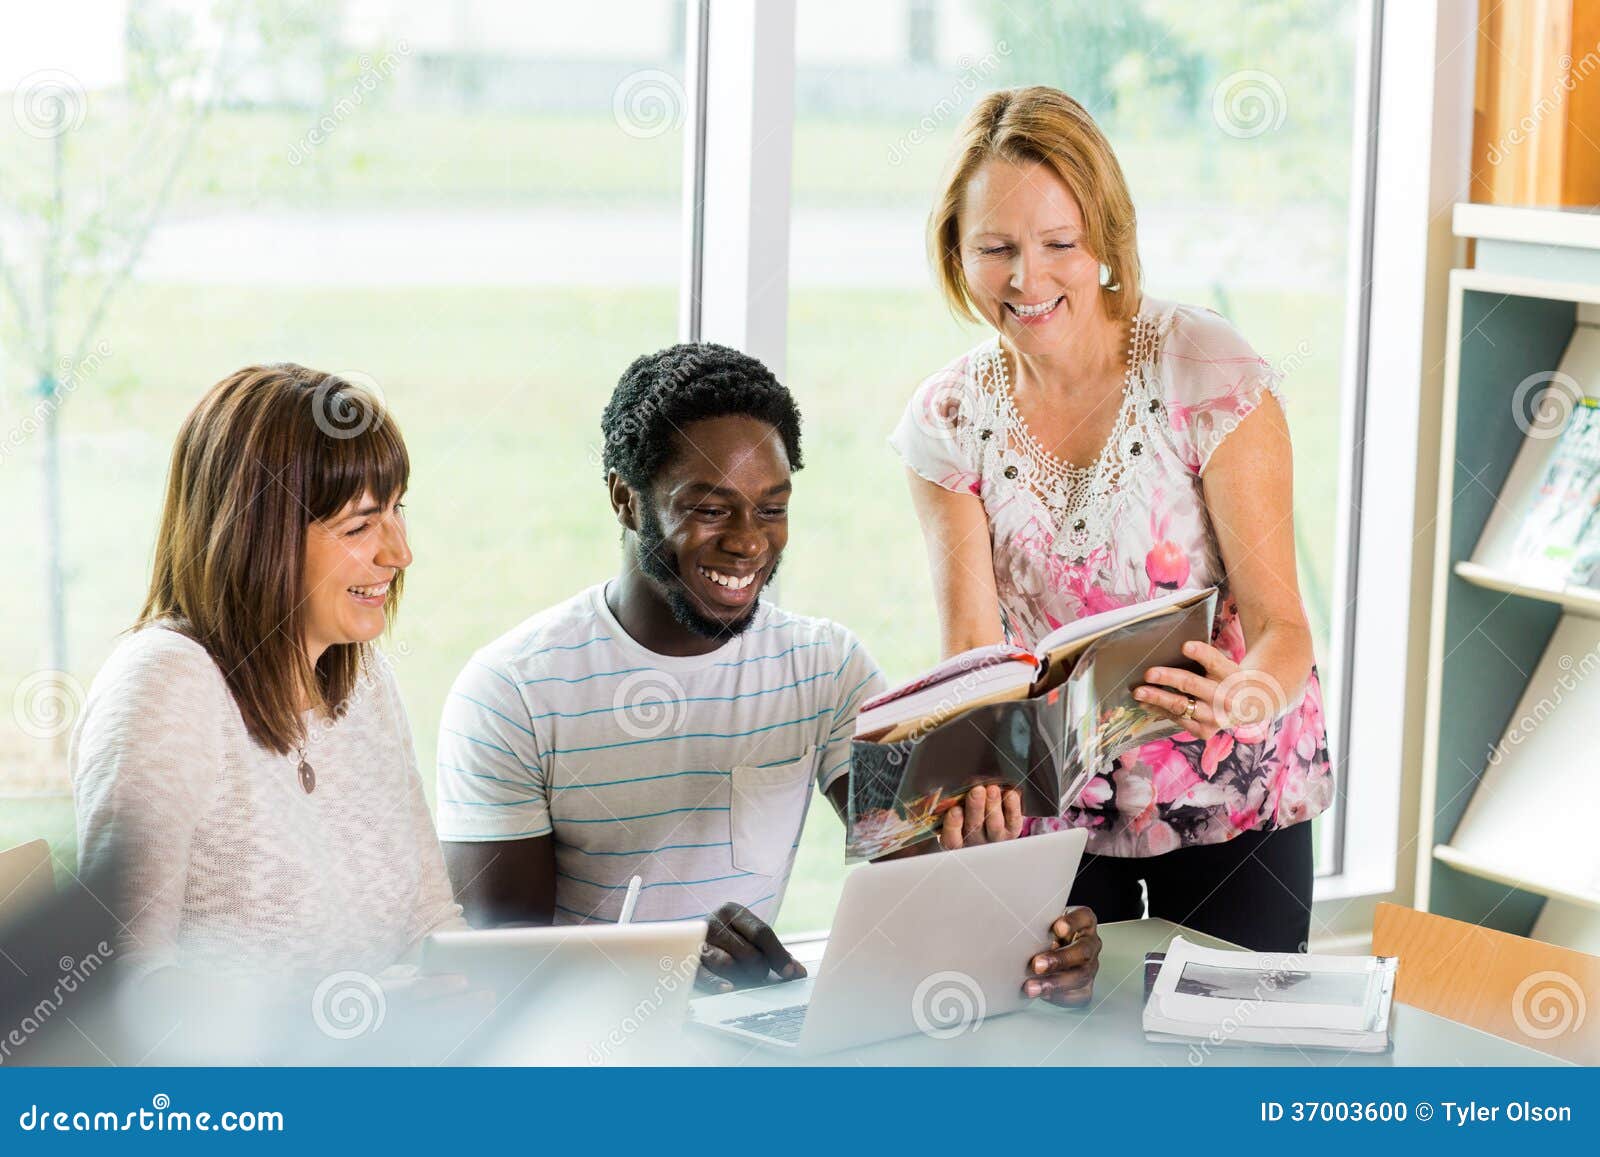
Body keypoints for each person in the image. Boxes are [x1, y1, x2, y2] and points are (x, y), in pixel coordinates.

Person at [437, 343, 1101, 1006]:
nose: (749, 541)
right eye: (710, 509)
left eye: (772, 508)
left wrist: (1034, 939)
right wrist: (661, 973)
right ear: (625, 499)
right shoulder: (511, 692)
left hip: (745, 1030)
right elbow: (499, 974)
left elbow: (918, 880)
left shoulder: (825, 668)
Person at [893, 86, 1332, 954]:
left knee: (1225, 1037)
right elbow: (972, 657)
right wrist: (967, 771)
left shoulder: (1206, 369)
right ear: (956, 251)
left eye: (1060, 243)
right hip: (1057, 817)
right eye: (995, 249)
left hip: (1236, 802)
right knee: (1053, 1030)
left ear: (1104, 238)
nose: (1028, 279)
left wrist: (1240, 696)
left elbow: (1283, 630)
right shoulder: (947, 417)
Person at [70, 364, 467, 1021]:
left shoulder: (365, 678)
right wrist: (336, 1019)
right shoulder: (164, 687)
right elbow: (122, 987)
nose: (400, 553)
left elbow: (430, 918)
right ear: (261, 537)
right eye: (360, 527)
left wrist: (478, 988)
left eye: (398, 509)